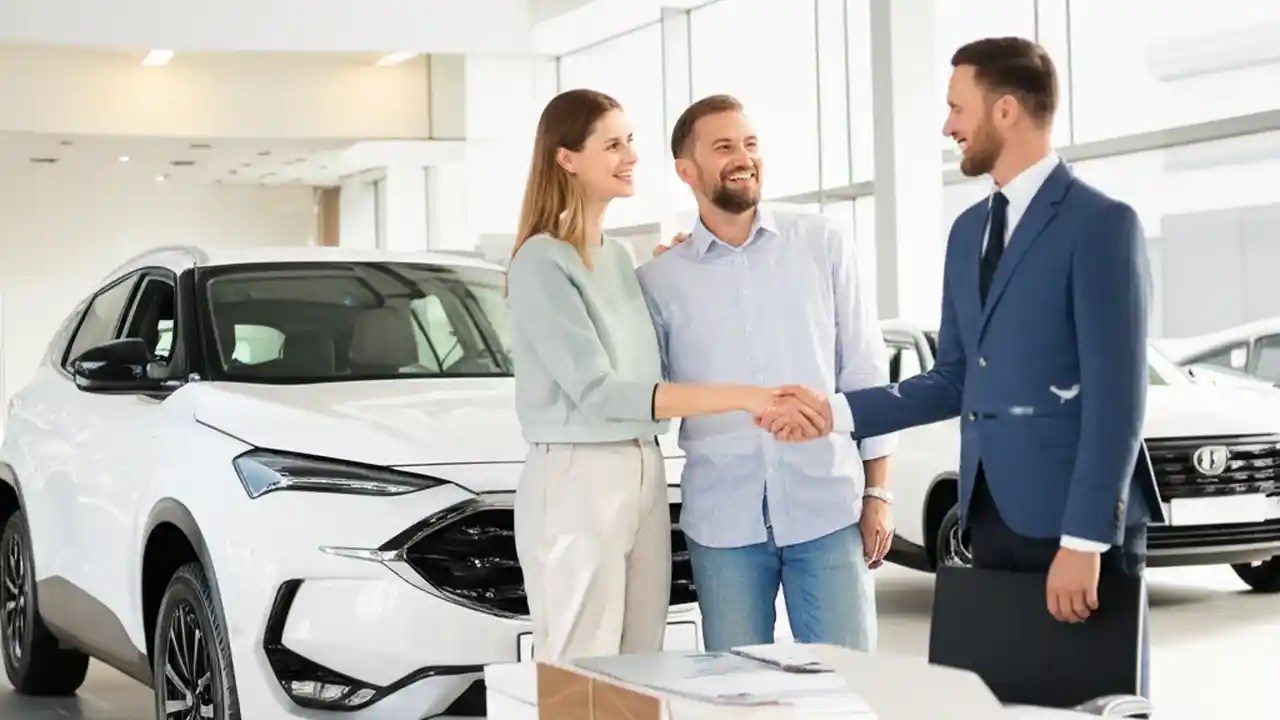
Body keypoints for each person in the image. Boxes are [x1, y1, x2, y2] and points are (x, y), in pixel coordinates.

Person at [766, 37, 1161, 695]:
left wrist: (1086, 541)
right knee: (1001, 701)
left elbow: (1117, 399)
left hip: (1075, 520)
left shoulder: (1101, 225)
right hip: (992, 513)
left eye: (957, 107)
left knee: (1096, 704)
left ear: (1005, 111)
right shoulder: (966, 231)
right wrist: (832, 411)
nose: (948, 125)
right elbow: (955, 376)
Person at [506, 88, 825, 664]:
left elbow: (654, 365)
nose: (630, 155)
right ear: (567, 158)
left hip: (645, 467)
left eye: (630, 141)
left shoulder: (619, 259)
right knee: (581, 661)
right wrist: (746, 397)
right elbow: (599, 393)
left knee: (641, 657)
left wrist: (683, 268)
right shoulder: (539, 261)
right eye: (612, 144)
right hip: (579, 473)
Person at [635, 94, 897, 654]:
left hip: (827, 509)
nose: (742, 157)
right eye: (723, 146)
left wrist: (879, 490)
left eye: (750, 144)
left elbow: (867, 372)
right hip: (723, 523)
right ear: (686, 170)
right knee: (735, 697)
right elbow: (652, 397)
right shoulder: (659, 279)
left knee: (847, 690)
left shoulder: (823, 243)